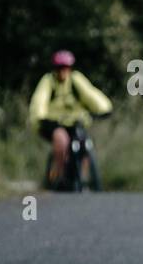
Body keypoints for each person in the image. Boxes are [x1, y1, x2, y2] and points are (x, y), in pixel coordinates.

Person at [29, 50, 112, 188]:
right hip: (53, 122)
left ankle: (84, 177)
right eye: (60, 68)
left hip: (75, 122)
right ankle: (58, 176)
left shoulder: (75, 79)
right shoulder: (48, 81)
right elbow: (39, 100)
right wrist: (40, 117)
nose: (63, 71)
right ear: (55, 69)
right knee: (62, 140)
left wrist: (105, 108)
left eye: (66, 68)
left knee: (84, 142)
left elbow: (90, 94)